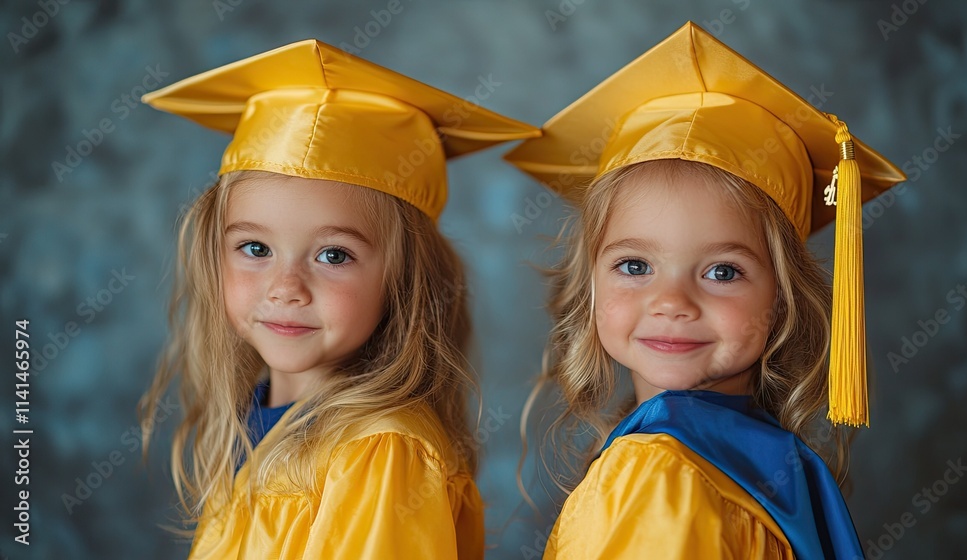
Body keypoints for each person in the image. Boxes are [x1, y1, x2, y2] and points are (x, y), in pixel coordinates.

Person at [505, 21, 906, 558]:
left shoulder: (658, 472)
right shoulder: (780, 466)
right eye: (634, 265)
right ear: (590, 285)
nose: (671, 303)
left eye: (722, 272)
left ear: (784, 297)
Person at [137, 39, 538, 559]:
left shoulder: (380, 451)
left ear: (403, 279)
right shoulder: (256, 422)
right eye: (255, 248)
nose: (286, 287)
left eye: (334, 255)